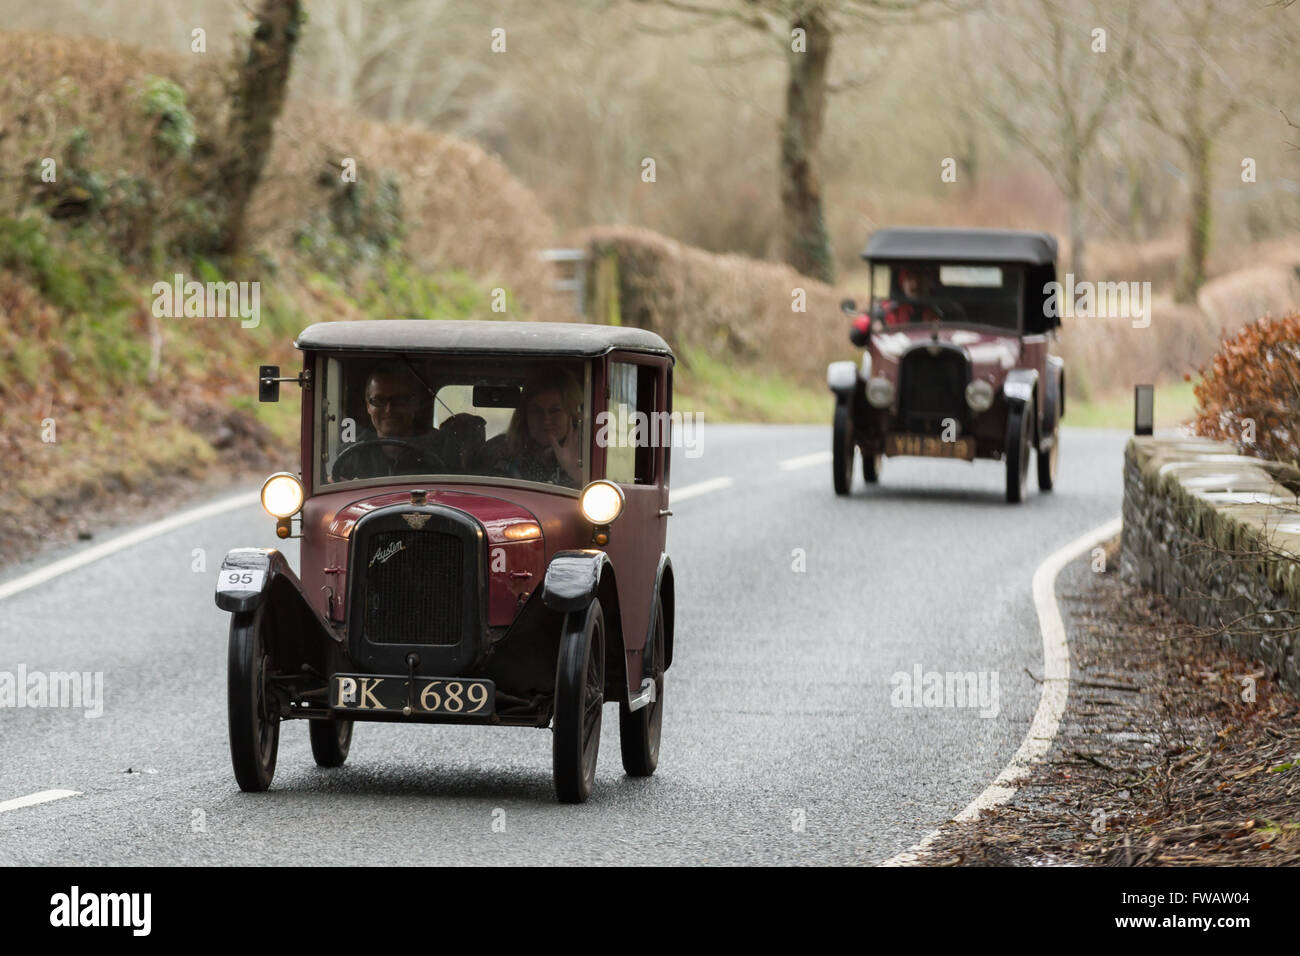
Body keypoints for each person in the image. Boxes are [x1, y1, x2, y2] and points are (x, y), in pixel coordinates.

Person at [331, 363, 449, 480]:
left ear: (414, 404)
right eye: (379, 400)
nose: (389, 410)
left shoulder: (440, 450)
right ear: (368, 406)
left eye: (399, 400)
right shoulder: (350, 455)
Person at [479, 366, 584, 487]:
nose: (546, 419)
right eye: (537, 410)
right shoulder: (498, 450)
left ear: (572, 414)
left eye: (555, 410)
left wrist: (576, 473)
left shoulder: (590, 454)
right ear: (524, 415)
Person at [849, 265, 941, 343]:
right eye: (910, 278)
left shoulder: (937, 311)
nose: (915, 284)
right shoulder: (887, 309)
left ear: (928, 282)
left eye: (920, 278)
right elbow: (856, 335)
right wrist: (871, 322)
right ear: (902, 282)